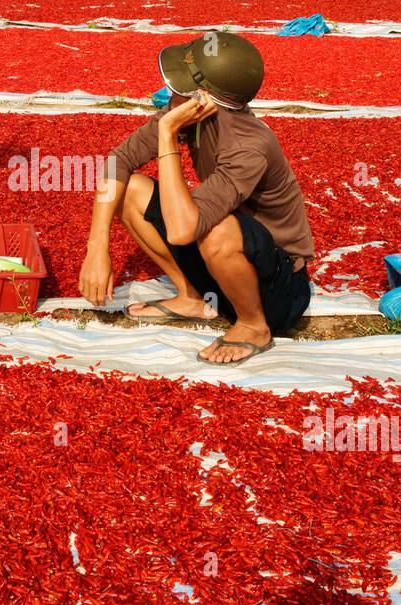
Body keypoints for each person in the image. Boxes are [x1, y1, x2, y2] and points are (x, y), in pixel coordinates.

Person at [79, 32, 315, 365]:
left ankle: (252, 326)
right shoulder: (188, 114)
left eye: (181, 86)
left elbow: (181, 231)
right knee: (129, 189)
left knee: (216, 229)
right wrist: (97, 248)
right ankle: (192, 297)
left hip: (275, 289)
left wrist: (167, 135)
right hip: (219, 268)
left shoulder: (248, 146)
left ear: (204, 99)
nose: (171, 92)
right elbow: (118, 161)